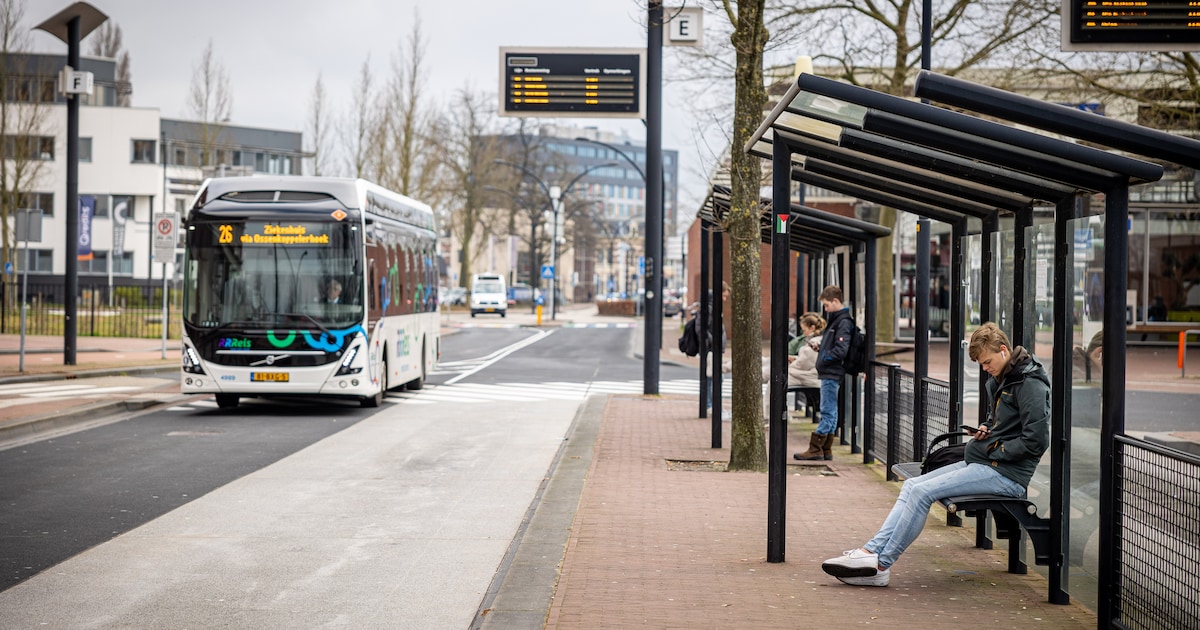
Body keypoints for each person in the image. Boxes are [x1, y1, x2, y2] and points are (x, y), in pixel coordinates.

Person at [820, 322, 1050, 587]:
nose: (985, 368)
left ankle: (882, 565)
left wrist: (995, 448)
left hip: (1006, 474)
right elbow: (1004, 421)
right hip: (986, 462)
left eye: (986, 362)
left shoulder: (1030, 383)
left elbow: (1036, 441)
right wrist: (988, 427)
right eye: (981, 364)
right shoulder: (1005, 377)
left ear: (1003, 350)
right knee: (911, 486)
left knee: (921, 493)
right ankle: (869, 553)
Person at [795, 286, 854, 461]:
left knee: (828, 410)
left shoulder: (841, 322)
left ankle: (816, 448)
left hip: (831, 371)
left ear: (836, 301)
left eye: (827, 305)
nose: (825, 309)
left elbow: (841, 349)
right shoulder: (839, 321)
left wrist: (825, 357)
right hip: (831, 370)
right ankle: (825, 449)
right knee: (831, 410)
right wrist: (822, 349)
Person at [787, 312, 825, 388]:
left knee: (777, 378)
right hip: (812, 376)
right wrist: (795, 358)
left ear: (812, 328)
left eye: (804, 330)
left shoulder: (813, 343)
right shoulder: (820, 339)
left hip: (810, 378)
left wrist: (791, 364)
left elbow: (801, 364)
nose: (803, 333)